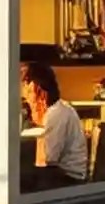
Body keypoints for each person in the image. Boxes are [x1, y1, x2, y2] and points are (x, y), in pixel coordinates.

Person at [20, 61, 87, 191]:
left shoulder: (57, 114)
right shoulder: (56, 111)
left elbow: (49, 159)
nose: (26, 98)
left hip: (68, 178)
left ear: (38, 90)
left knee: (19, 179)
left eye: (28, 90)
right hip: (59, 173)